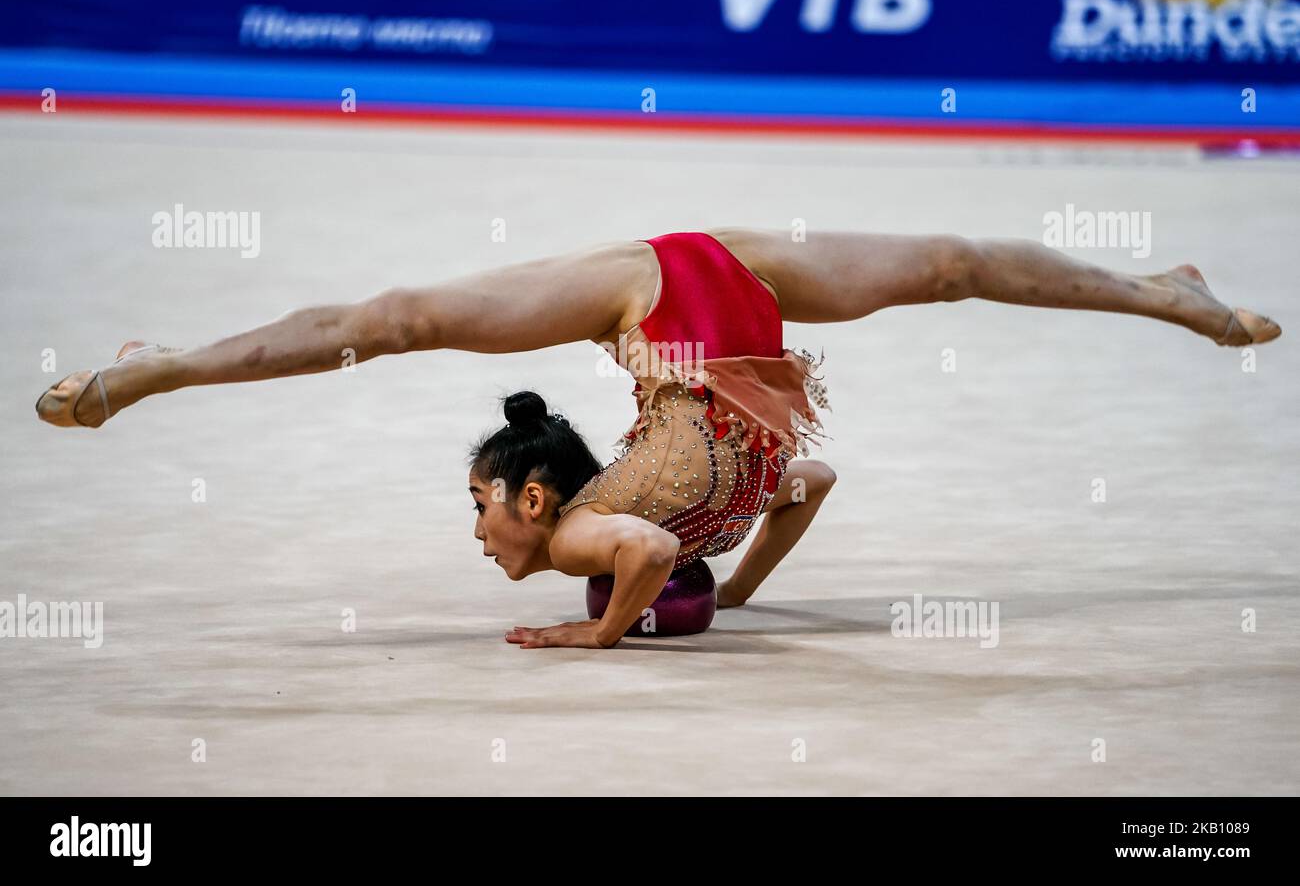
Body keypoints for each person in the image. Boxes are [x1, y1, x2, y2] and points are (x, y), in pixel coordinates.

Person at [36, 228, 1281, 648]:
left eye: (480, 515)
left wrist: (622, 620)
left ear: (527, 502)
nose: (476, 539)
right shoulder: (637, 528)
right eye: (480, 521)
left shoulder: (604, 524)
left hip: (657, 309)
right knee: (949, 268)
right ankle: (161, 368)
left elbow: (644, 538)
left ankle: (1163, 289)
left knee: (402, 321)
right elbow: (792, 481)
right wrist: (696, 605)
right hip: (712, 303)